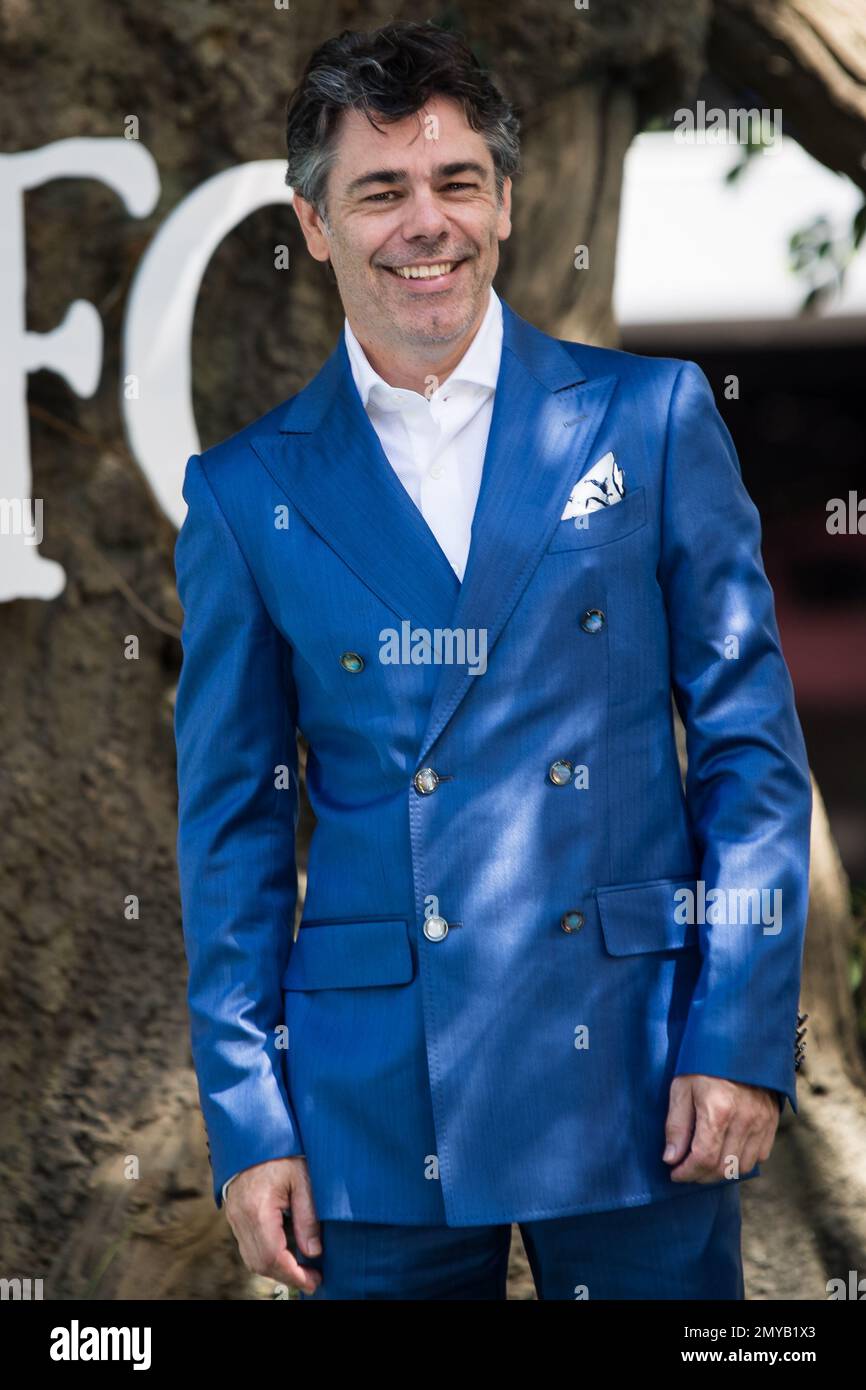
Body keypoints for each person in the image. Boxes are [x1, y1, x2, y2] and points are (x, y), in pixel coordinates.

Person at [173, 20, 812, 1300]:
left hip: (638, 1075)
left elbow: (748, 753)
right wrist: (250, 1120)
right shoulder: (244, 495)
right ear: (313, 222)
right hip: (369, 1100)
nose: (427, 222)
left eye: (457, 181)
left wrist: (738, 1032)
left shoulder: (653, 415)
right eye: (381, 189)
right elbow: (234, 828)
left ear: (505, 203)